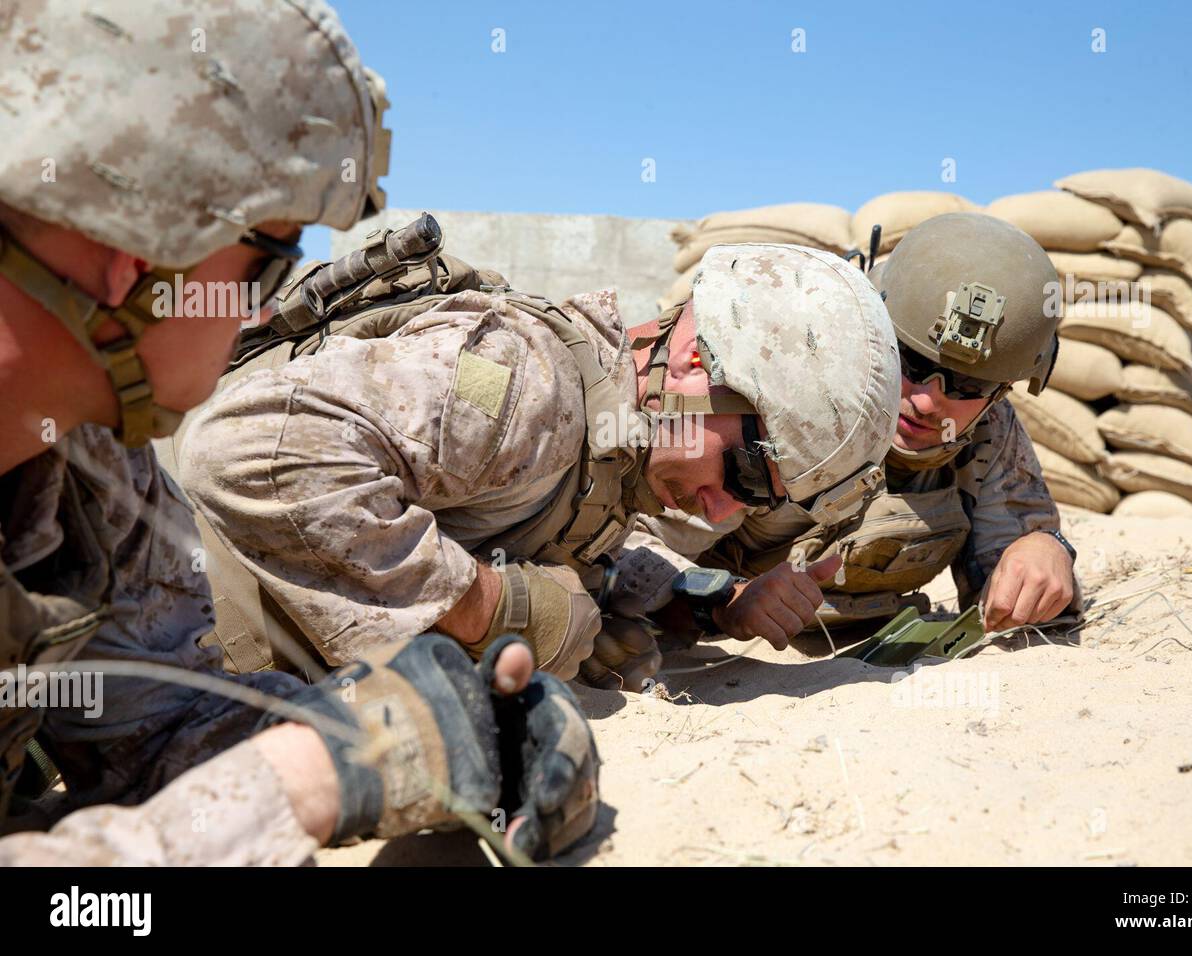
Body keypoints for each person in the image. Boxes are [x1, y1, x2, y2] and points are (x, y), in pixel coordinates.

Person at [0, 0, 594, 865]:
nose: (264, 304)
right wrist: (305, 784)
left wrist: (428, 726)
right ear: (146, 248)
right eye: (273, 257)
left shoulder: (83, 465)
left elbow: (155, 722)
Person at [175, 236, 902, 690]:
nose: (722, 511)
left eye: (757, 502)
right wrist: (482, 607)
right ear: (690, 363)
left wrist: (704, 604)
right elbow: (240, 448)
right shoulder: (527, 384)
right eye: (742, 475)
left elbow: (572, 551)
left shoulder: (616, 447)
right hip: (153, 655)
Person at [614, 213, 1081, 654]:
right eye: (912, 364)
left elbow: (1009, 592)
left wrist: (1046, 549)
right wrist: (727, 601)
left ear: (999, 393)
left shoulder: (985, 432)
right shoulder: (796, 404)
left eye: (966, 386)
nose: (925, 401)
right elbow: (623, 549)